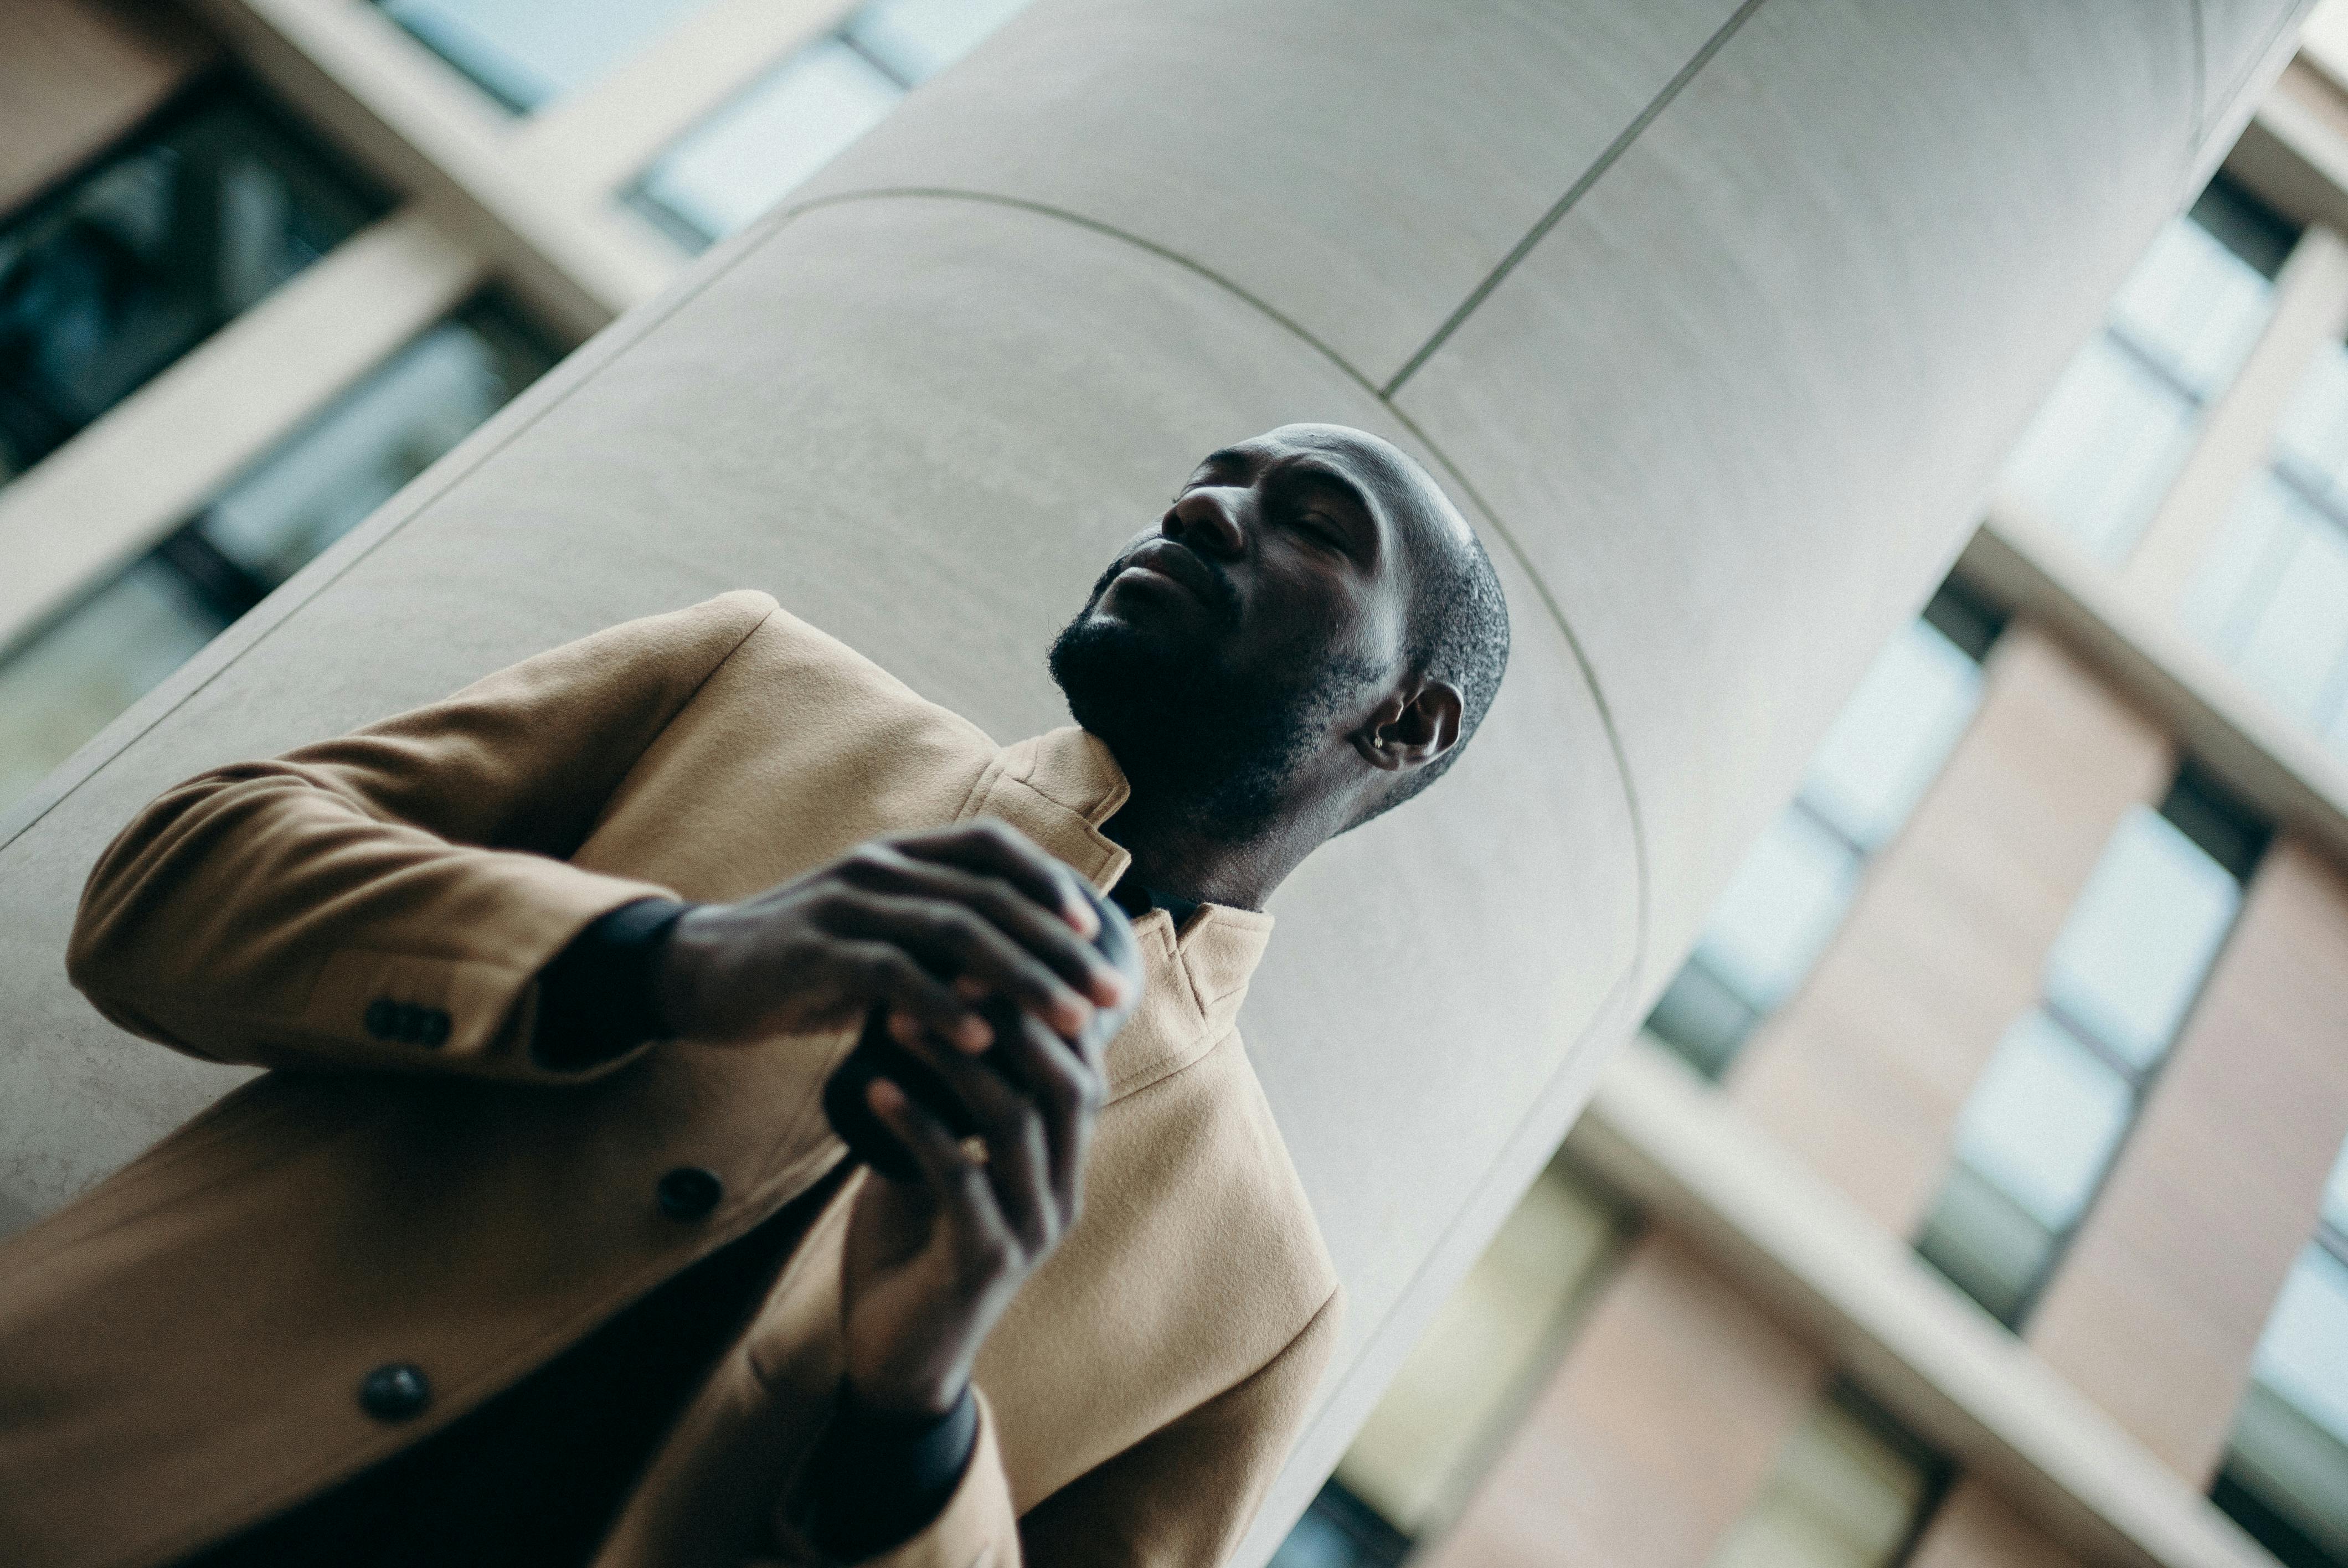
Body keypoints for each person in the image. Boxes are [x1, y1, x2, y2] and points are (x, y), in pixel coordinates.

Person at [0, 423, 1510, 1568]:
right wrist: (665, 959)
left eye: (1308, 522)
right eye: (1211, 476)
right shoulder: (742, 680)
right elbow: (167, 884)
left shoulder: (1260, 1306)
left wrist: (913, 1415)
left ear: (1412, 719)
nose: (1202, 507)